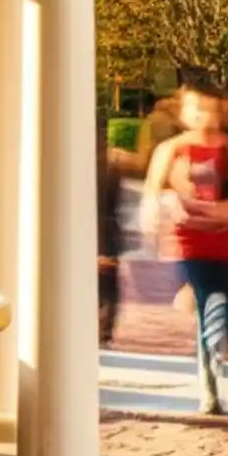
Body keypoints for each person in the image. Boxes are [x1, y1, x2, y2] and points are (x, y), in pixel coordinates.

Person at [141, 83, 228, 414]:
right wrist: (163, 206)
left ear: (223, 111)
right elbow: (152, 190)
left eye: (211, 109)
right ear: (183, 112)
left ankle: (215, 354)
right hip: (187, 239)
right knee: (204, 299)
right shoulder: (171, 150)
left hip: (225, 241)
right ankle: (208, 381)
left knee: (221, 309)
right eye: (196, 108)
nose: (204, 116)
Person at [98, 114, 124, 348]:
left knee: (105, 286)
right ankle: (104, 331)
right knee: (107, 286)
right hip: (107, 232)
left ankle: (103, 330)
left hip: (103, 232)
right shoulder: (111, 166)